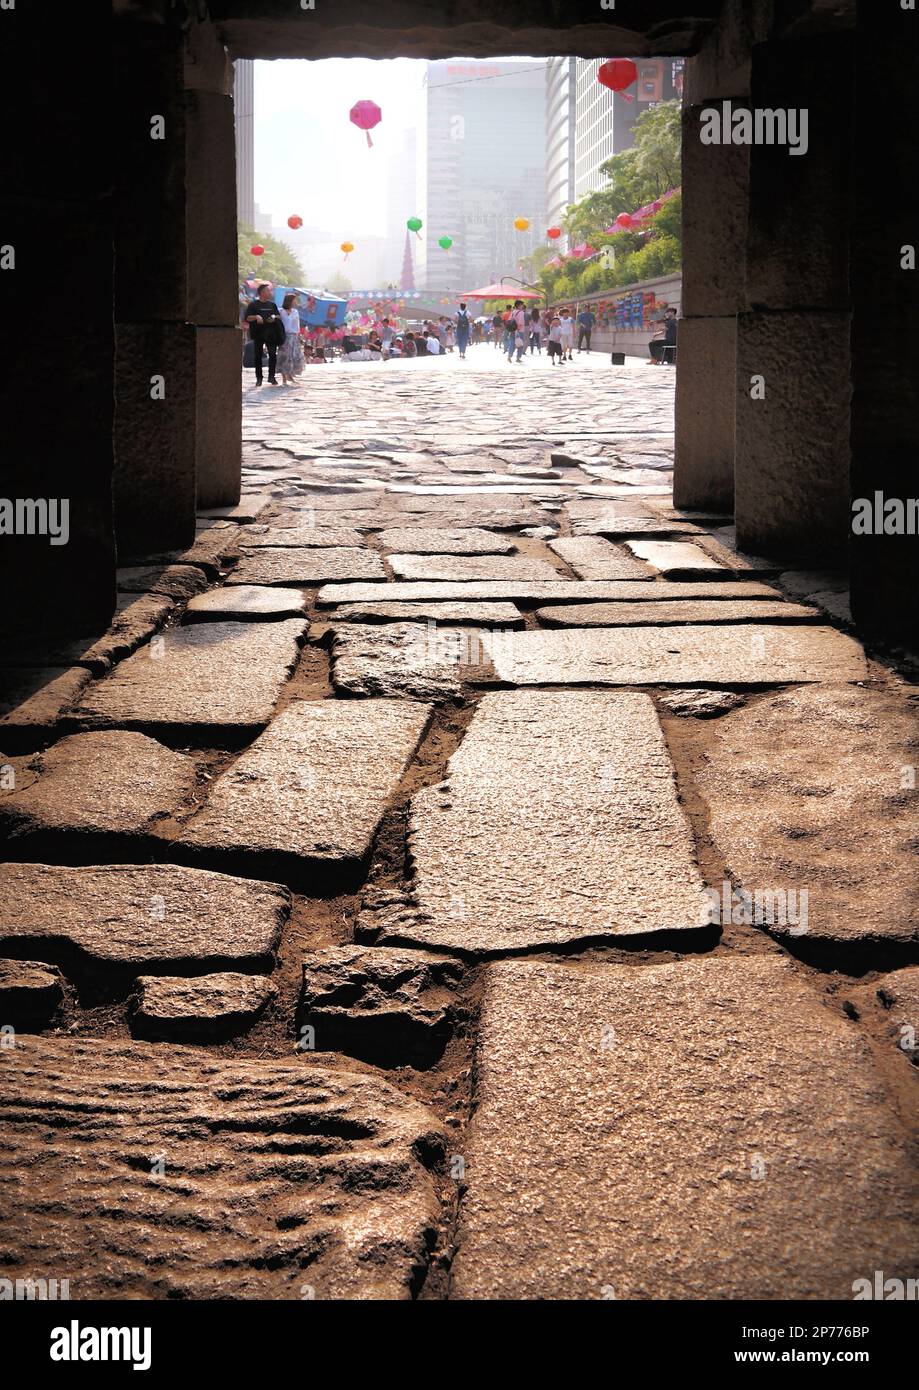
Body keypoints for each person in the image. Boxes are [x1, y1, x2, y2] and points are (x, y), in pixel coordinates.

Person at [244, 282, 283, 386]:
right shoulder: (253, 305)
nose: (270, 292)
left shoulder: (272, 305)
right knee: (258, 356)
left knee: (272, 355)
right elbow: (247, 318)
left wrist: (274, 317)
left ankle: (271, 377)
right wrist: (256, 316)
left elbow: (278, 316)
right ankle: (259, 378)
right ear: (261, 292)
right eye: (267, 290)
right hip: (258, 333)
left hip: (271, 333)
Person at [277, 292, 304, 386]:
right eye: (294, 300)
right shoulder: (280, 311)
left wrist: (298, 336)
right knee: (284, 357)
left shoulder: (295, 312)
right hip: (284, 336)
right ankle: (284, 378)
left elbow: (297, 325)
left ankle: (290, 375)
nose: (295, 302)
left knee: (293, 356)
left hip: (293, 336)